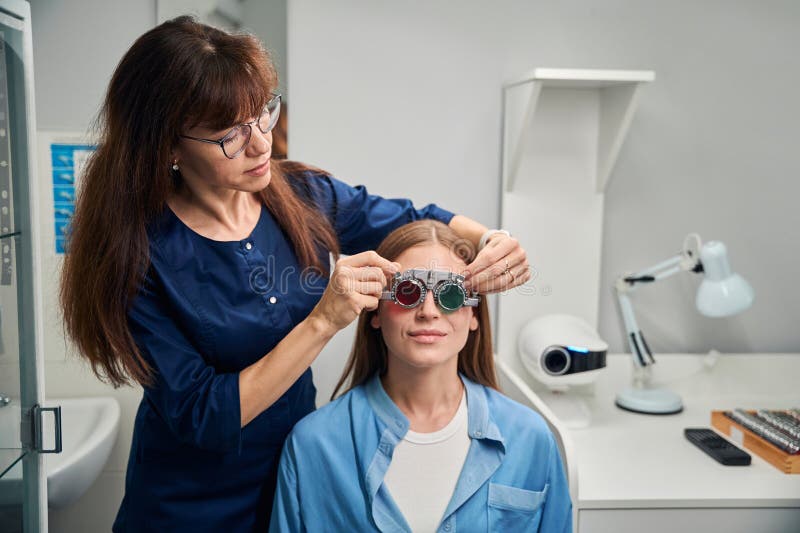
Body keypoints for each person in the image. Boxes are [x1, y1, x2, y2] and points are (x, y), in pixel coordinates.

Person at [58, 16, 531, 533]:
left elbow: (408, 215)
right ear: (167, 148)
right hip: (189, 504)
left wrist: (490, 241)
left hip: (294, 473)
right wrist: (324, 320)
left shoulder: (297, 194)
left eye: (263, 114)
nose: (262, 144)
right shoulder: (139, 255)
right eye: (229, 137)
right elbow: (204, 415)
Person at [269, 220, 572, 533]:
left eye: (450, 294)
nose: (428, 311)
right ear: (375, 312)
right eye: (407, 291)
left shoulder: (531, 438)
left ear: (474, 315)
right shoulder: (313, 445)